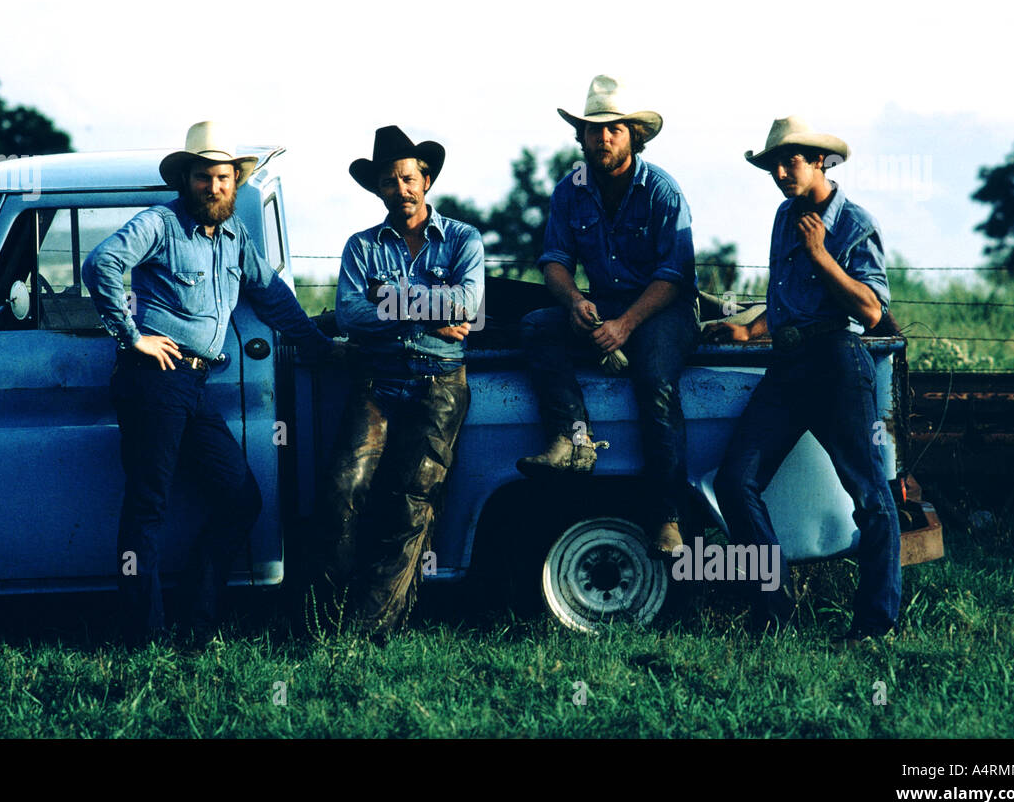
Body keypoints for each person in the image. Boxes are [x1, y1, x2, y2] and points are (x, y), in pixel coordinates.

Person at [83, 121, 333, 647]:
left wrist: (320, 345)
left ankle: (197, 623)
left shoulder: (235, 237)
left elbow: (273, 297)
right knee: (148, 505)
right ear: (187, 180)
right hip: (154, 379)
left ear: (234, 183)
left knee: (240, 499)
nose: (214, 187)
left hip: (194, 386)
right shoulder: (160, 223)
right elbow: (101, 262)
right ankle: (143, 635)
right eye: (203, 177)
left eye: (223, 178)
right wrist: (132, 337)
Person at [703, 115, 901, 644]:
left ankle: (875, 624)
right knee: (734, 481)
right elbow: (786, 303)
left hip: (838, 361)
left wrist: (821, 255)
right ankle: (774, 611)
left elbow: (873, 309)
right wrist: (751, 331)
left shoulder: (855, 222)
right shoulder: (783, 216)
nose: (781, 172)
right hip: (788, 366)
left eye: (792, 160)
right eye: (774, 164)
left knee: (869, 494)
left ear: (820, 161)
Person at [311, 125, 484, 639]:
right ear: (379, 189)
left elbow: (469, 307)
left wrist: (390, 299)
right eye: (389, 182)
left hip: (440, 382)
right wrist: (428, 309)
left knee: (411, 501)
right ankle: (327, 611)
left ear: (425, 180)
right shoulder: (361, 246)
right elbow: (348, 314)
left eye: (408, 178)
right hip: (379, 381)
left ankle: (366, 629)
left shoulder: (462, 238)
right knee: (342, 490)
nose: (401, 190)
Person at [516, 74, 700, 556]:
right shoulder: (569, 190)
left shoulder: (662, 190)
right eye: (593, 129)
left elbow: (674, 274)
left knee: (655, 379)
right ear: (579, 137)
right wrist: (575, 301)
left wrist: (625, 325)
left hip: (665, 309)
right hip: (605, 308)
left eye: (614, 129)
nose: (603, 138)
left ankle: (668, 516)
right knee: (537, 327)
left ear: (633, 136)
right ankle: (573, 439)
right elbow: (554, 261)